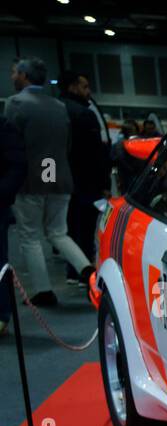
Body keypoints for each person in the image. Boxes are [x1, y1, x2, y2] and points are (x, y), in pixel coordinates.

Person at [5, 57, 93, 308]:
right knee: (58, 232)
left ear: (24, 75)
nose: (12, 76)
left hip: (32, 179)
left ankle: (43, 290)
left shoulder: (16, 104)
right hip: (59, 176)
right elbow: (65, 146)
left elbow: (12, 145)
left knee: (30, 236)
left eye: (14, 72)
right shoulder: (58, 106)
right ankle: (86, 269)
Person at [59, 71, 111, 284]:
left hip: (63, 179)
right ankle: (85, 273)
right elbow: (96, 153)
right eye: (85, 86)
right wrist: (104, 183)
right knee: (87, 227)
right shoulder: (84, 114)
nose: (88, 92)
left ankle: (73, 271)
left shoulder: (58, 109)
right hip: (86, 180)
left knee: (69, 227)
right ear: (73, 87)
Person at [0, 115, 26, 336]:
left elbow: (20, 163)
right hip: (50, 182)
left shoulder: (17, 110)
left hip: (43, 184)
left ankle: (2, 314)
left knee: (36, 236)